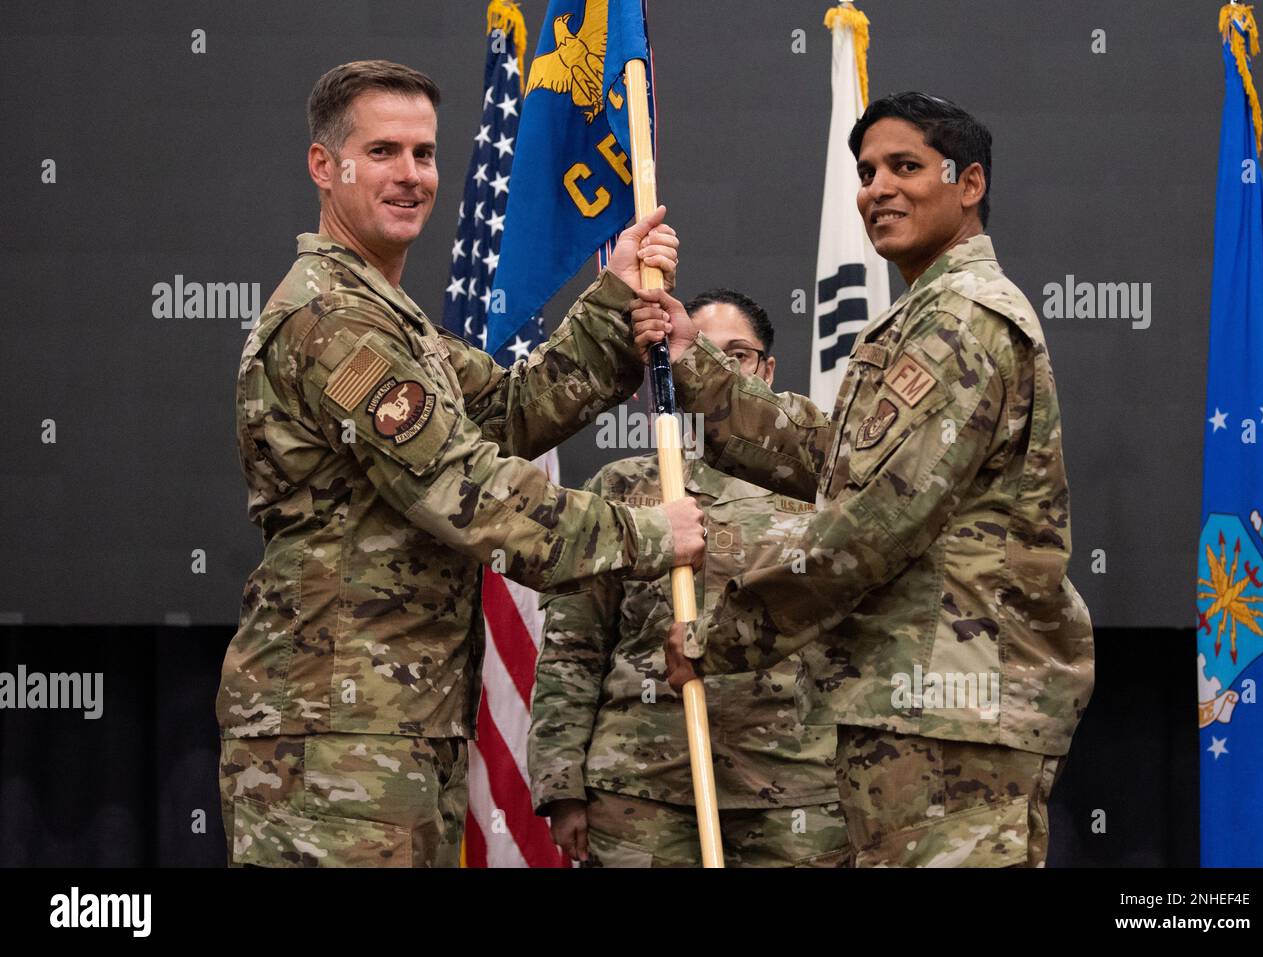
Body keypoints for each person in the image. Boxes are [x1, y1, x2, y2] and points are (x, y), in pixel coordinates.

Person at [216, 59, 705, 868]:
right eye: (382, 152)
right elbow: (464, 489)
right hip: (336, 735)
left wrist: (617, 300)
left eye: (423, 154)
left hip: (399, 721)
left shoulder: (390, 318)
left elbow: (512, 413)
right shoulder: (332, 319)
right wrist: (646, 533)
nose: (411, 176)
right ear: (322, 165)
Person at [641, 92, 1094, 867]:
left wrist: (718, 637)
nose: (877, 188)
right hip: (920, 708)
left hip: (953, 712)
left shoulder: (963, 318)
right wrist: (698, 367)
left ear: (970, 182)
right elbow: (844, 462)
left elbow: (869, 526)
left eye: (905, 167)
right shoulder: (927, 313)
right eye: (866, 171)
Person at [528, 289, 850, 867]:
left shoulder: (819, 493)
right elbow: (573, 648)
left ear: (767, 369)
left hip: (794, 788)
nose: (719, 367)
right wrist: (562, 785)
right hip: (642, 789)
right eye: (700, 350)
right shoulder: (621, 489)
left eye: (739, 355)